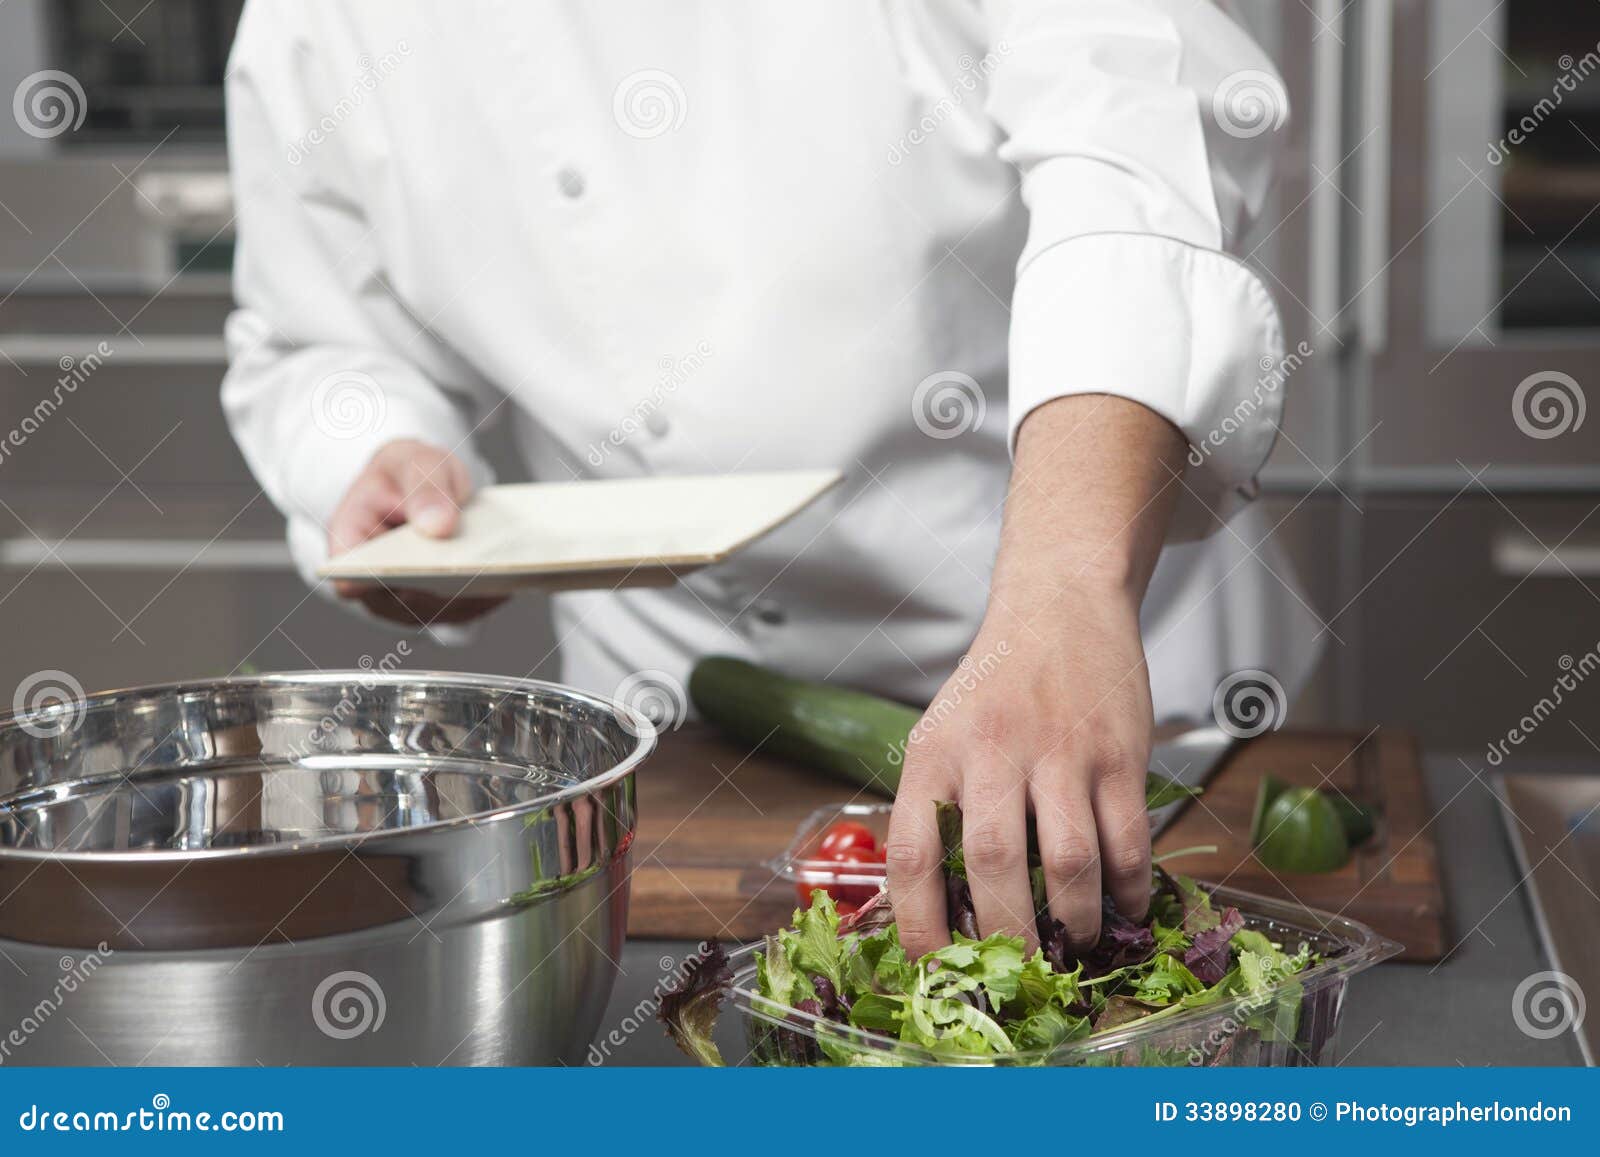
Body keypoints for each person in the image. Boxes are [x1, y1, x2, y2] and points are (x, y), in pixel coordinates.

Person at [221, 0, 1319, 962]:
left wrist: (1067, 582)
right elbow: (313, 338)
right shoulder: (323, 20)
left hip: (1110, 672)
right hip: (685, 729)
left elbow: (1133, 133)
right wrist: (374, 460)